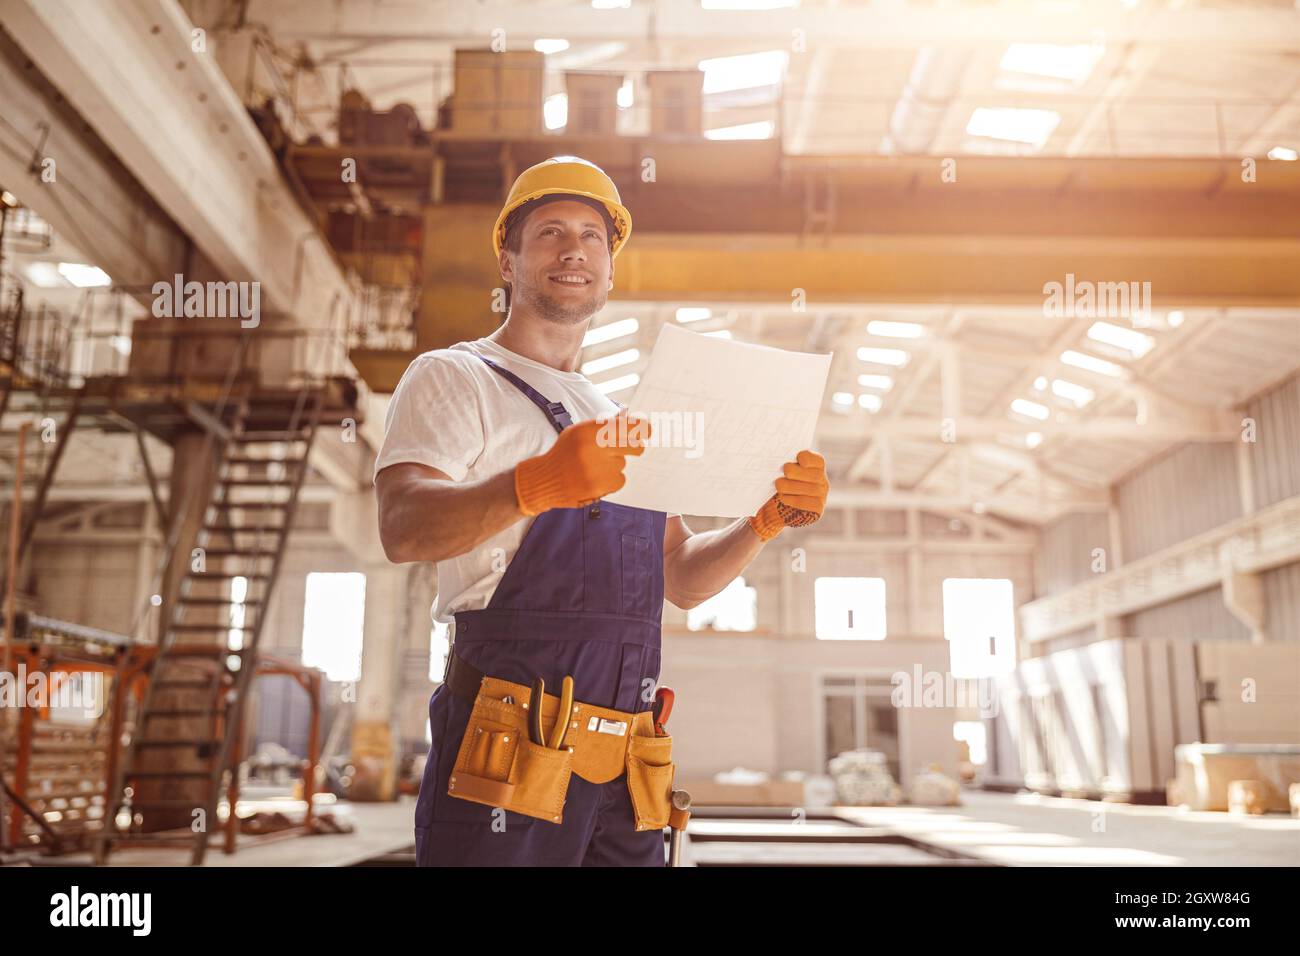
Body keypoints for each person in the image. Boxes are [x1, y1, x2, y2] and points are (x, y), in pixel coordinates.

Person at [374, 156, 830, 866]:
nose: (574, 249)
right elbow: (402, 527)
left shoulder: (625, 420)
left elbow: (678, 575)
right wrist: (533, 485)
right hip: (506, 753)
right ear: (508, 259)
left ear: (610, 272)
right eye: (550, 232)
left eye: (593, 237)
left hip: (627, 769)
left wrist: (763, 522)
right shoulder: (454, 376)